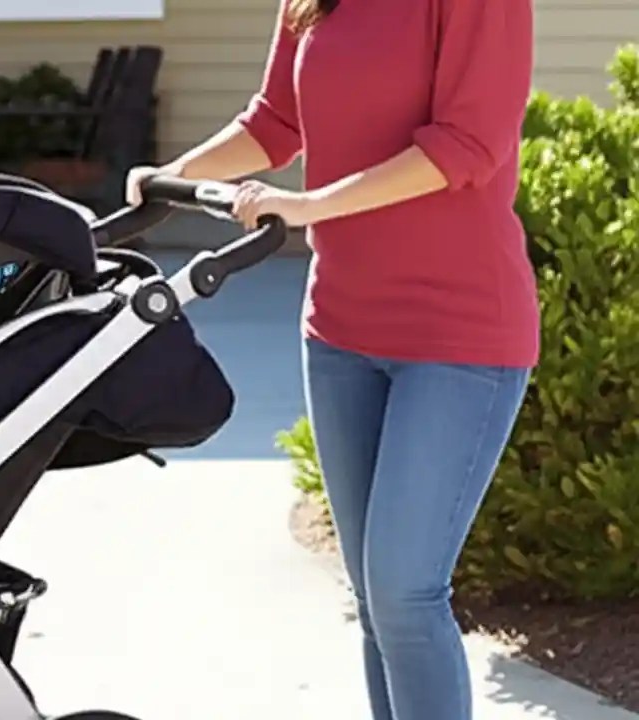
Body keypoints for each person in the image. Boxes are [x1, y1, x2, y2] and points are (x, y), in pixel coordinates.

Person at [126, 0, 538, 718]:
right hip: (342, 333)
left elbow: (469, 143)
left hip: (460, 332)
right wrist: (173, 175)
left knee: (405, 593)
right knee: (377, 605)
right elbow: (275, 122)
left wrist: (312, 205)